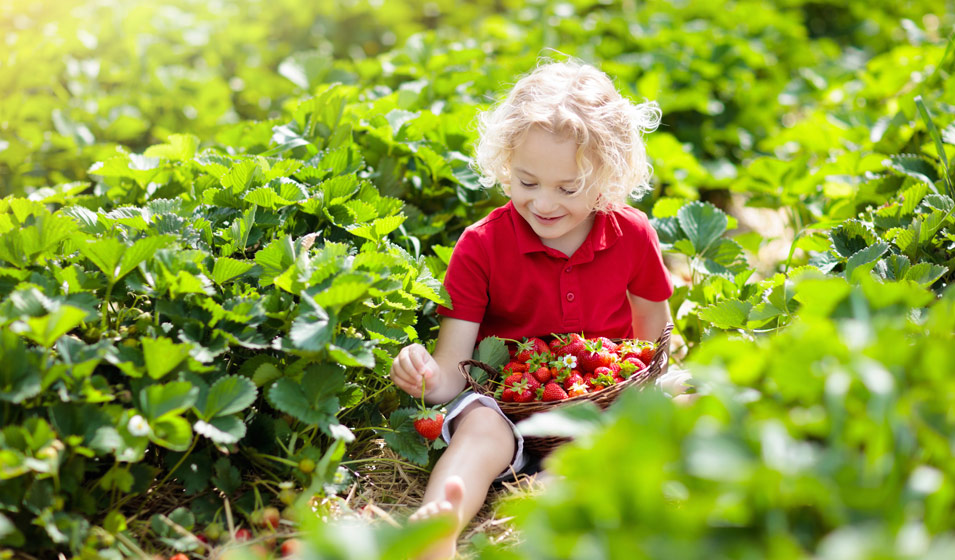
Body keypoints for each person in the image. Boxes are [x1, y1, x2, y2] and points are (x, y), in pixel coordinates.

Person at [389, 59, 673, 559]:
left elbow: (653, 336)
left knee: (682, 408)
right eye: (526, 182)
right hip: (508, 405)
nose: (544, 203)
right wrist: (425, 378)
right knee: (478, 431)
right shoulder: (480, 246)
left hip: (601, 401)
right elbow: (454, 371)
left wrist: (645, 387)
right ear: (505, 167)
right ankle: (438, 527)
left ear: (608, 178)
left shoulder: (632, 234)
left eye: (567, 189)